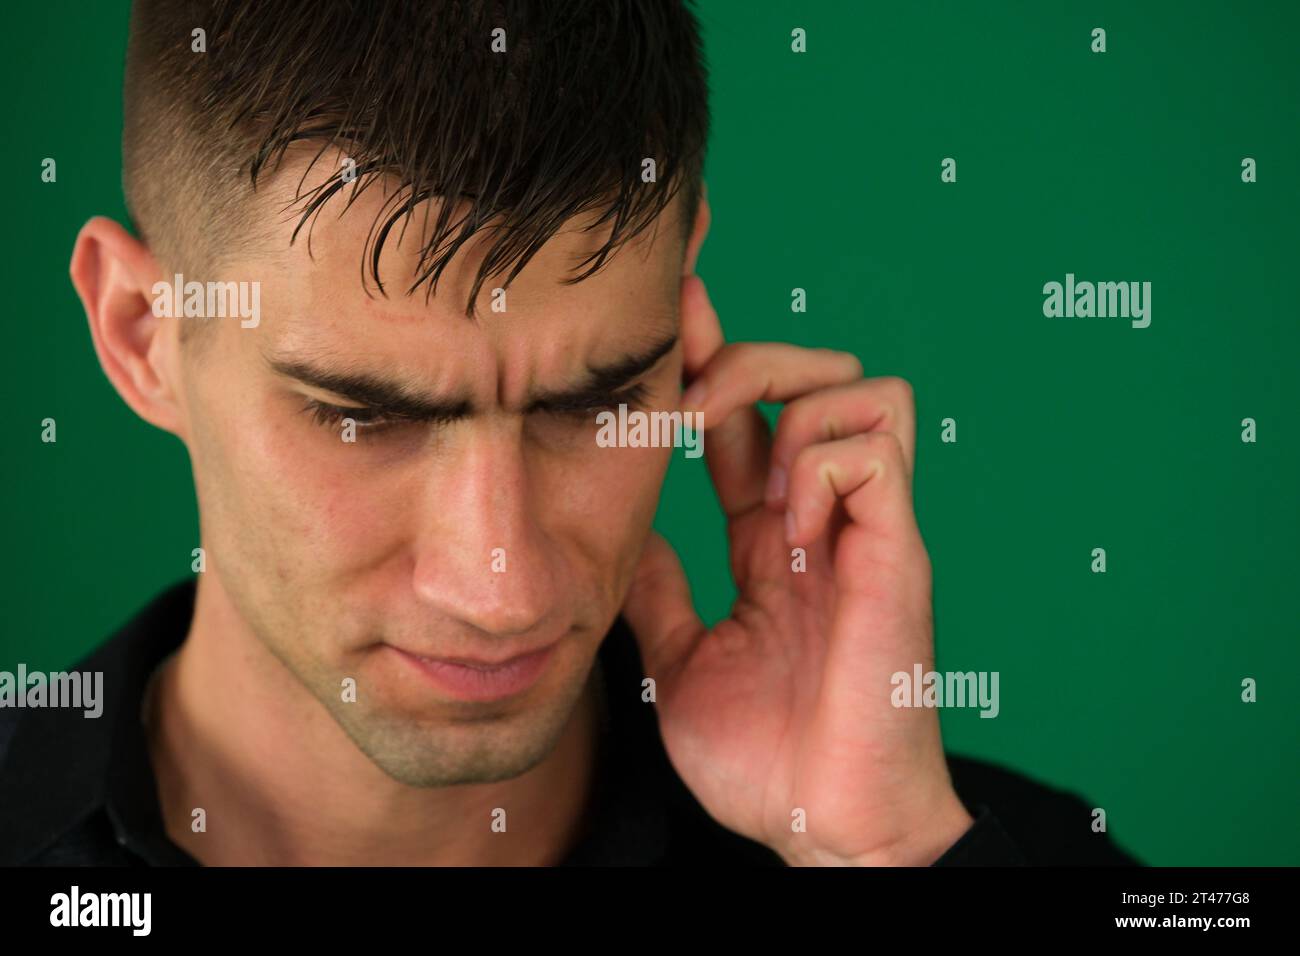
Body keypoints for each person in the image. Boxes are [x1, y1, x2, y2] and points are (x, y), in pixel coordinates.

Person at [0, 0, 1138, 867]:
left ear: (686, 291)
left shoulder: (938, 840)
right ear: (143, 332)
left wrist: (884, 857)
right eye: (364, 417)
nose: (499, 589)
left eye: (592, 402)